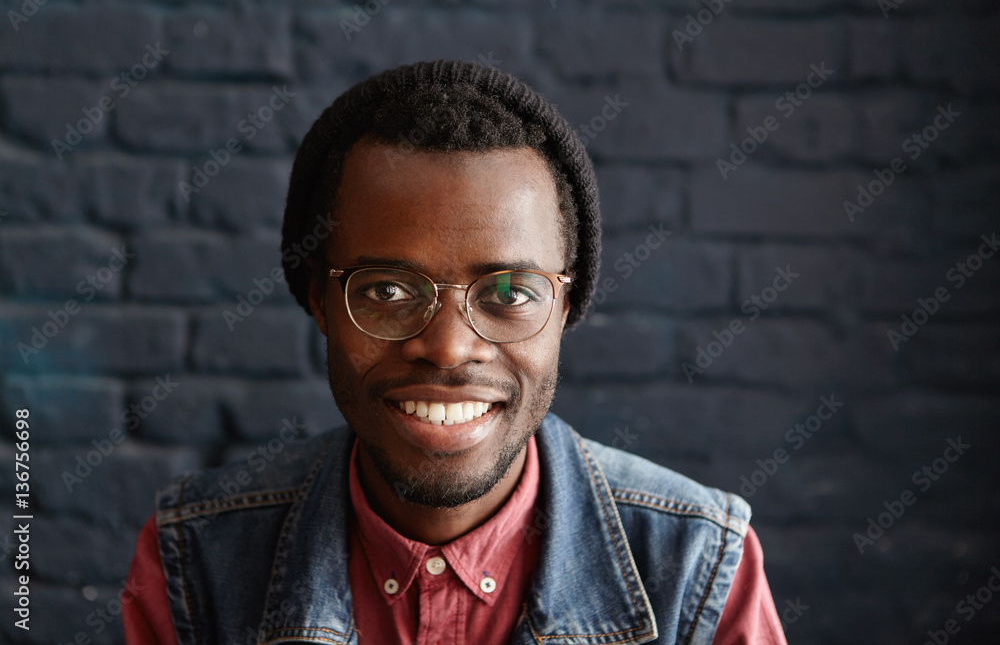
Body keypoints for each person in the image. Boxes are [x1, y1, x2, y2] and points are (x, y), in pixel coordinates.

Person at [124, 59, 786, 644]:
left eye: (509, 292)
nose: (447, 347)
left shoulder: (697, 569)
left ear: (565, 307)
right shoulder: (196, 563)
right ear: (320, 300)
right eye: (387, 290)